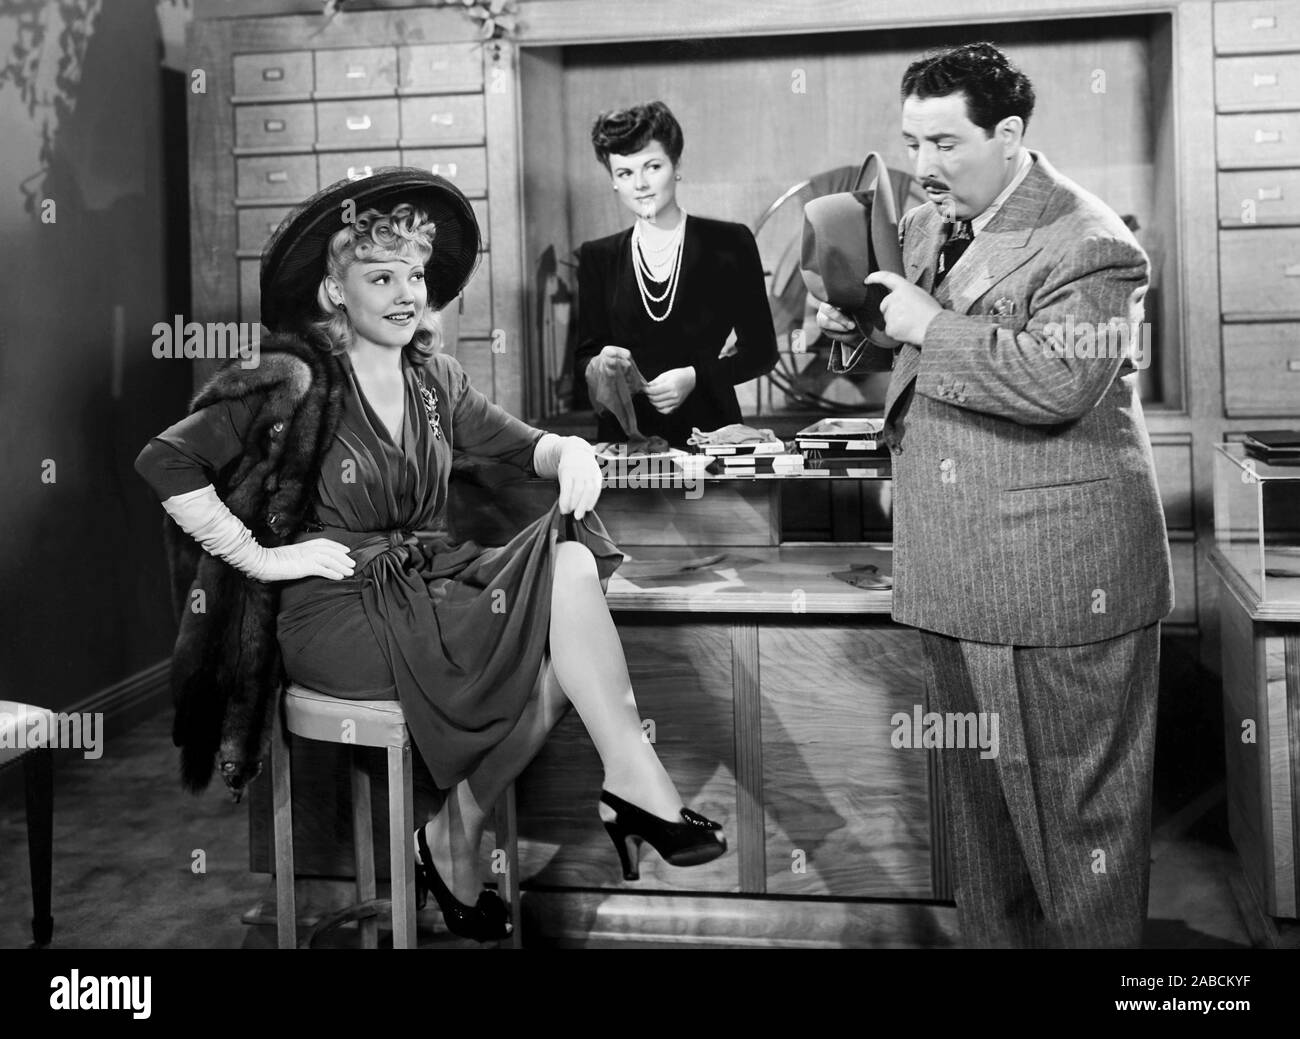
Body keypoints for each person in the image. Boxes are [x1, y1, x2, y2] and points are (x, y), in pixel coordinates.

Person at [136, 168, 726, 943]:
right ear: (332, 292)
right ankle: (488, 828)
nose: (406, 292)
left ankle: (573, 793)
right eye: (380, 276)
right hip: (338, 605)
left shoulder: (437, 381)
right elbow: (164, 460)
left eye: (414, 274)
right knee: (554, 644)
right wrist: (265, 560)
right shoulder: (291, 380)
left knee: (573, 569)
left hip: (430, 581)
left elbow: (527, 446)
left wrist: (569, 452)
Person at [817, 43, 1173, 948]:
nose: (924, 169)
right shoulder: (945, 219)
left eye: (945, 144)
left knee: (1079, 831)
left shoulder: (1090, 240)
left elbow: (1059, 381)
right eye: (912, 143)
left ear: (1009, 134)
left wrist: (929, 325)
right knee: (983, 834)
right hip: (956, 575)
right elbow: (928, 353)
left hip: (1055, 585)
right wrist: (864, 328)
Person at [575, 100, 779, 449]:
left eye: (652, 166)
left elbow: (762, 351)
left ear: (676, 164)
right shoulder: (598, 257)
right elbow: (582, 363)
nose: (639, 184)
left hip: (711, 436)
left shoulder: (729, 243)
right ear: (612, 180)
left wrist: (696, 376)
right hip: (628, 442)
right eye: (624, 173)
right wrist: (600, 364)